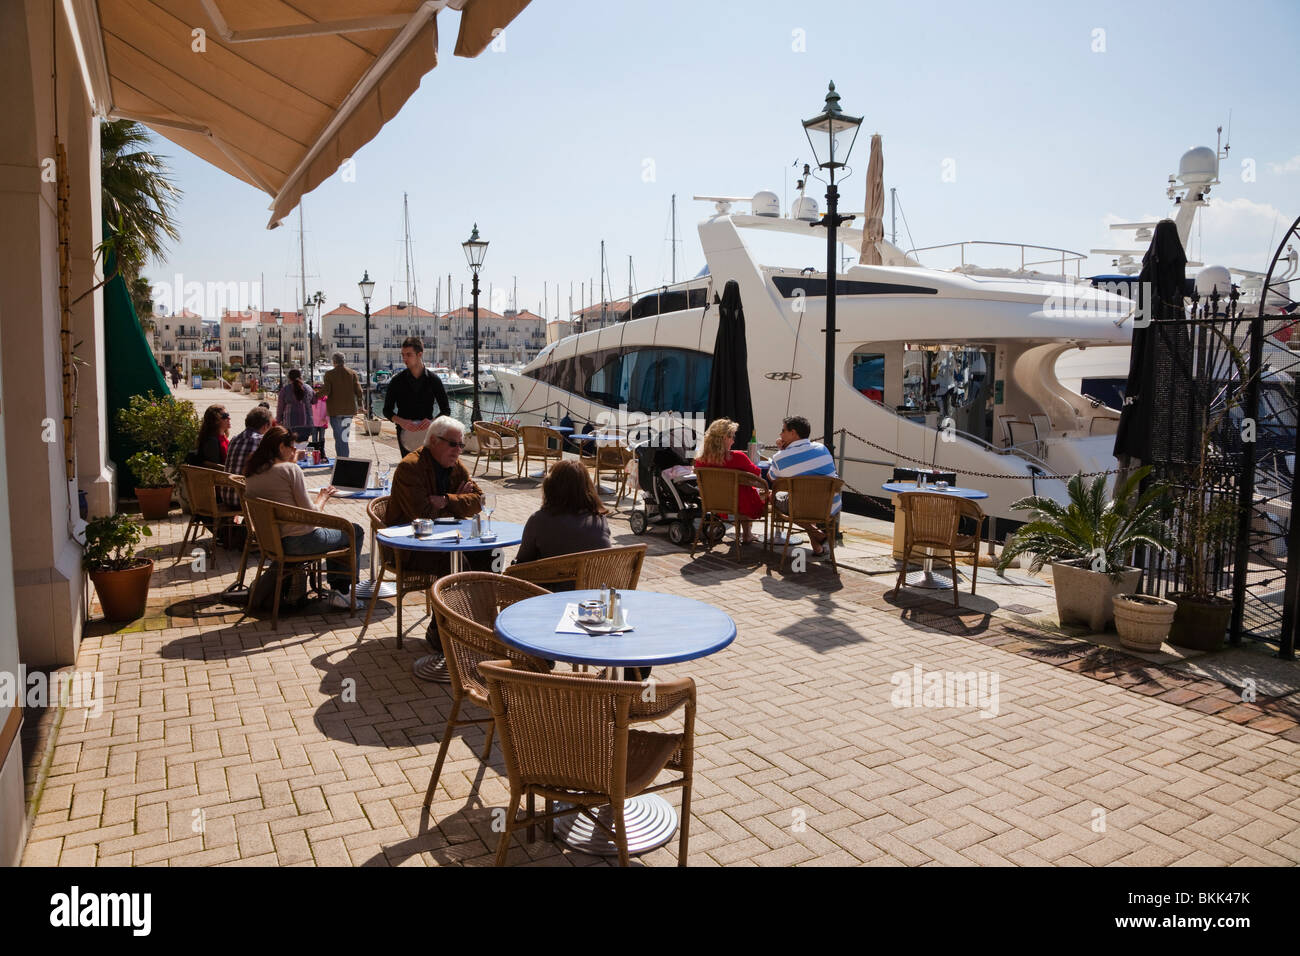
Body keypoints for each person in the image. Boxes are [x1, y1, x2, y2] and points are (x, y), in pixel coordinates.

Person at [386, 416, 488, 682]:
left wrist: (445, 500)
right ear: (433, 441)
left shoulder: (454, 466)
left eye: (462, 445)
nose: (458, 450)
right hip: (411, 548)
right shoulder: (411, 467)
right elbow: (421, 513)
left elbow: (478, 501)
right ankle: (446, 636)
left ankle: (468, 629)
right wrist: (455, 501)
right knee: (458, 571)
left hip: (444, 542)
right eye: (453, 444)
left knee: (486, 558)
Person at [242, 426, 362, 609]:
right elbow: (312, 515)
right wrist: (322, 498)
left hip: (271, 541)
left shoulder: (252, 472)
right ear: (281, 447)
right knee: (353, 530)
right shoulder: (290, 469)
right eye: (292, 447)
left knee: (340, 532)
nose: (295, 451)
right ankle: (341, 592)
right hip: (300, 541)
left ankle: (339, 591)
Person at [767, 415, 841, 556]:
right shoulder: (823, 449)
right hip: (829, 506)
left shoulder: (781, 457)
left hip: (802, 507)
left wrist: (782, 451)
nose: (780, 434)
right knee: (802, 502)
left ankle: (816, 533)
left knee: (773, 497)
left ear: (793, 433)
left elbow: (772, 478)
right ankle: (818, 546)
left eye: (783, 431)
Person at [515, 460, 612, 564]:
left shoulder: (539, 520)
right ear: (588, 487)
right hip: (592, 579)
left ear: (550, 487)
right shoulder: (599, 520)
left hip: (550, 579)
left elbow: (522, 561)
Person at [695, 417, 766, 544]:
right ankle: (747, 534)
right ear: (724, 438)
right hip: (741, 504)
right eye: (732, 437)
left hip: (714, 502)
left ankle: (746, 533)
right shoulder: (738, 457)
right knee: (755, 492)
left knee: (743, 492)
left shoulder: (700, 460)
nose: (733, 441)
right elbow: (757, 473)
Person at [383, 337, 450, 456]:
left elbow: (446, 410)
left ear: (419, 354)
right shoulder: (397, 381)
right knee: (409, 471)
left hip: (428, 435)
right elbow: (387, 410)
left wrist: (431, 422)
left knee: (427, 471)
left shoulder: (434, 380)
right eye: (403, 355)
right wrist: (401, 421)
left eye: (408, 355)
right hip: (404, 434)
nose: (404, 359)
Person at [221, 405, 274, 507]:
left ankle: (247, 522)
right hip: (245, 499)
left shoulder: (234, 439)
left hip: (227, 495)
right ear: (265, 426)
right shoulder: (261, 440)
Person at [319, 352, 363, 458]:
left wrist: (315, 396)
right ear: (344, 361)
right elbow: (359, 391)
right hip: (349, 411)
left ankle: (342, 460)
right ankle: (344, 459)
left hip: (335, 411)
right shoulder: (352, 373)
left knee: (339, 438)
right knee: (345, 438)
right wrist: (361, 405)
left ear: (334, 362)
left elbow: (326, 390)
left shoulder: (329, 374)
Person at [276, 368, 314, 442]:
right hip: (307, 423)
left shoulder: (285, 390)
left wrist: (278, 420)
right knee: (303, 447)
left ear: (289, 378)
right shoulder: (308, 388)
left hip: (290, 424)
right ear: (300, 376)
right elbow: (314, 401)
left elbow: (280, 407)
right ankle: (306, 454)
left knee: (292, 447)